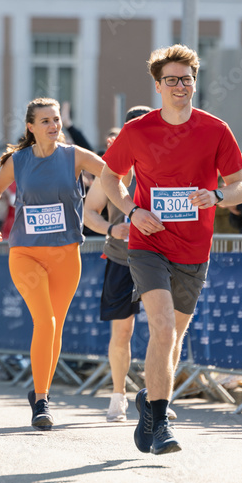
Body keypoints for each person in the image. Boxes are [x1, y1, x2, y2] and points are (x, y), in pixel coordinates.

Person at [99, 44, 242, 454]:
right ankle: (162, 422)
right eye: (171, 80)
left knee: (174, 335)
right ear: (158, 86)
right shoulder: (138, 131)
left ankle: (150, 397)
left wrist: (216, 195)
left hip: (194, 249)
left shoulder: (215, 129)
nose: (180, 86)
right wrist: (132, 211)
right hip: (148, 243)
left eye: (186, 79)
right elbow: (110, 178)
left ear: (194, 82)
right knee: (161, 326)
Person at [0, 97, 107, 430]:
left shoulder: (74, 155)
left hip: (66, 254)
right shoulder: (18, 160)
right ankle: (41, 401)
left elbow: (112, 173)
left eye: (56, 119)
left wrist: (122, 197)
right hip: (25, 253)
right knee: (46, 321)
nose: (54, 125)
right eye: (46, 121)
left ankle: (42, 390)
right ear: (31, 127)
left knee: (56, 328)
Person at [82, 105, 154, 422]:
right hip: (121, 257)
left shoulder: (163, 164)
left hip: (157, 257)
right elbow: (89, 212)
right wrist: (112, 228)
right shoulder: (113, 170)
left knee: (164, 329)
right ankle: (118, 396)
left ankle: (158, 397)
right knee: (122, 331)